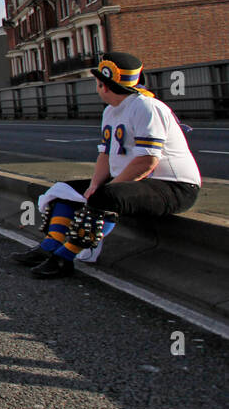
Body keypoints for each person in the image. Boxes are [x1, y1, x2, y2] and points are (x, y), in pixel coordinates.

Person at [11, 52, 201, 278]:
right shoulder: (110, 112)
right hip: (137, 181)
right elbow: (105, 155)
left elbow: (147, 161)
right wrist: (94, 184)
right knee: (65, 191)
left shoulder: (147, 107)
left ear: (105, 86)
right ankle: (50, 246)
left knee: (104, 198)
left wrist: (108, 189)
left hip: (173, 186)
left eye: (98, 83)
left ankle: (64, 258)